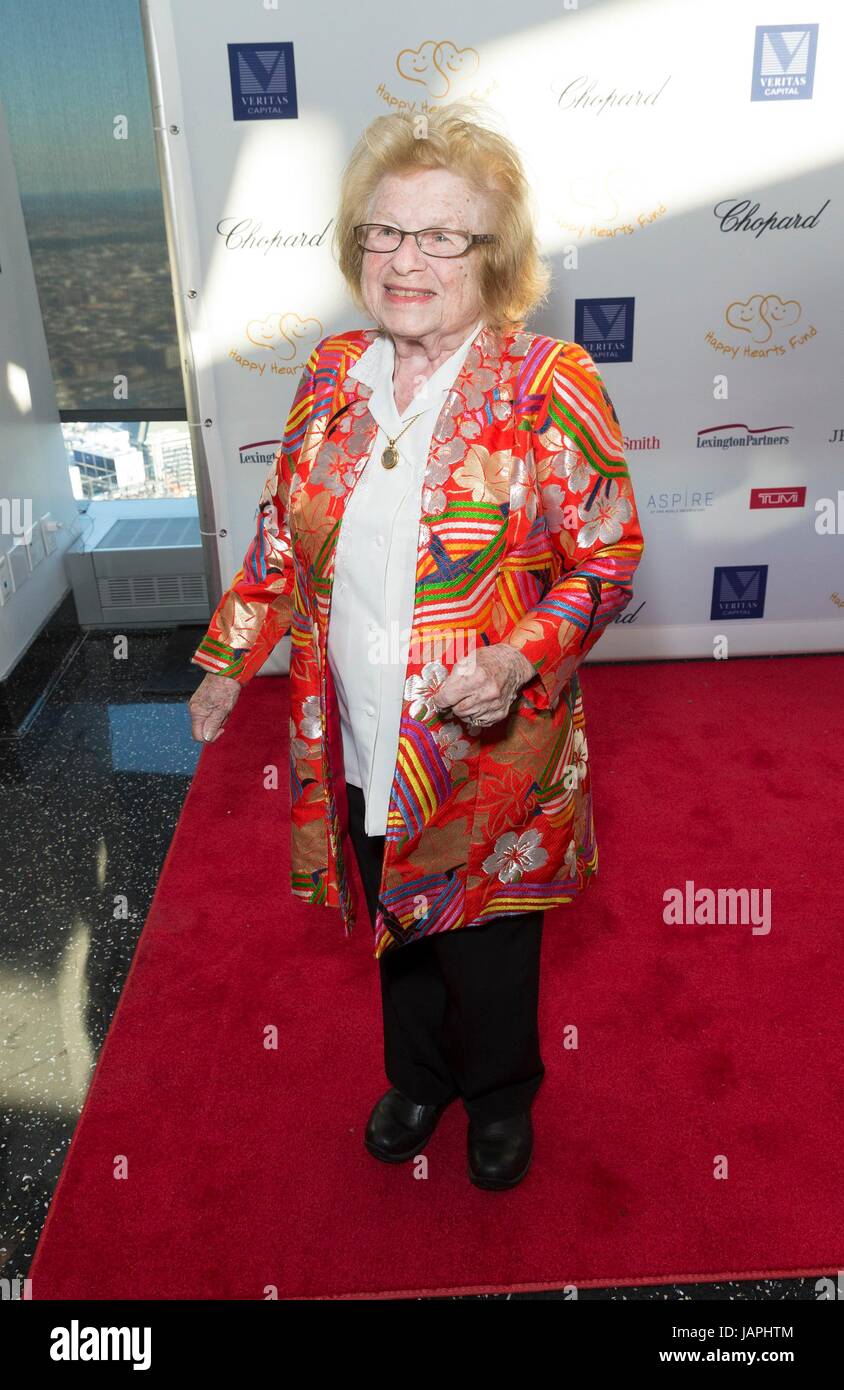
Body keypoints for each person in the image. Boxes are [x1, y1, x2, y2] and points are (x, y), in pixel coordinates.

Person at [188, 102, 645, 1190]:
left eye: (442, 235)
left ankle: (498, 1097)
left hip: (490, 750)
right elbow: (278, 541)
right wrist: (225, 656)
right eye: (385, 233)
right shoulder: (333, 373)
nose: (404, 260)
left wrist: (516, 655)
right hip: (348, 724)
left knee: (487, 943)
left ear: (496, 257)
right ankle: (417, 1078)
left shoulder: (548, 384)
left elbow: (608, 556)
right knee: (396, 923)